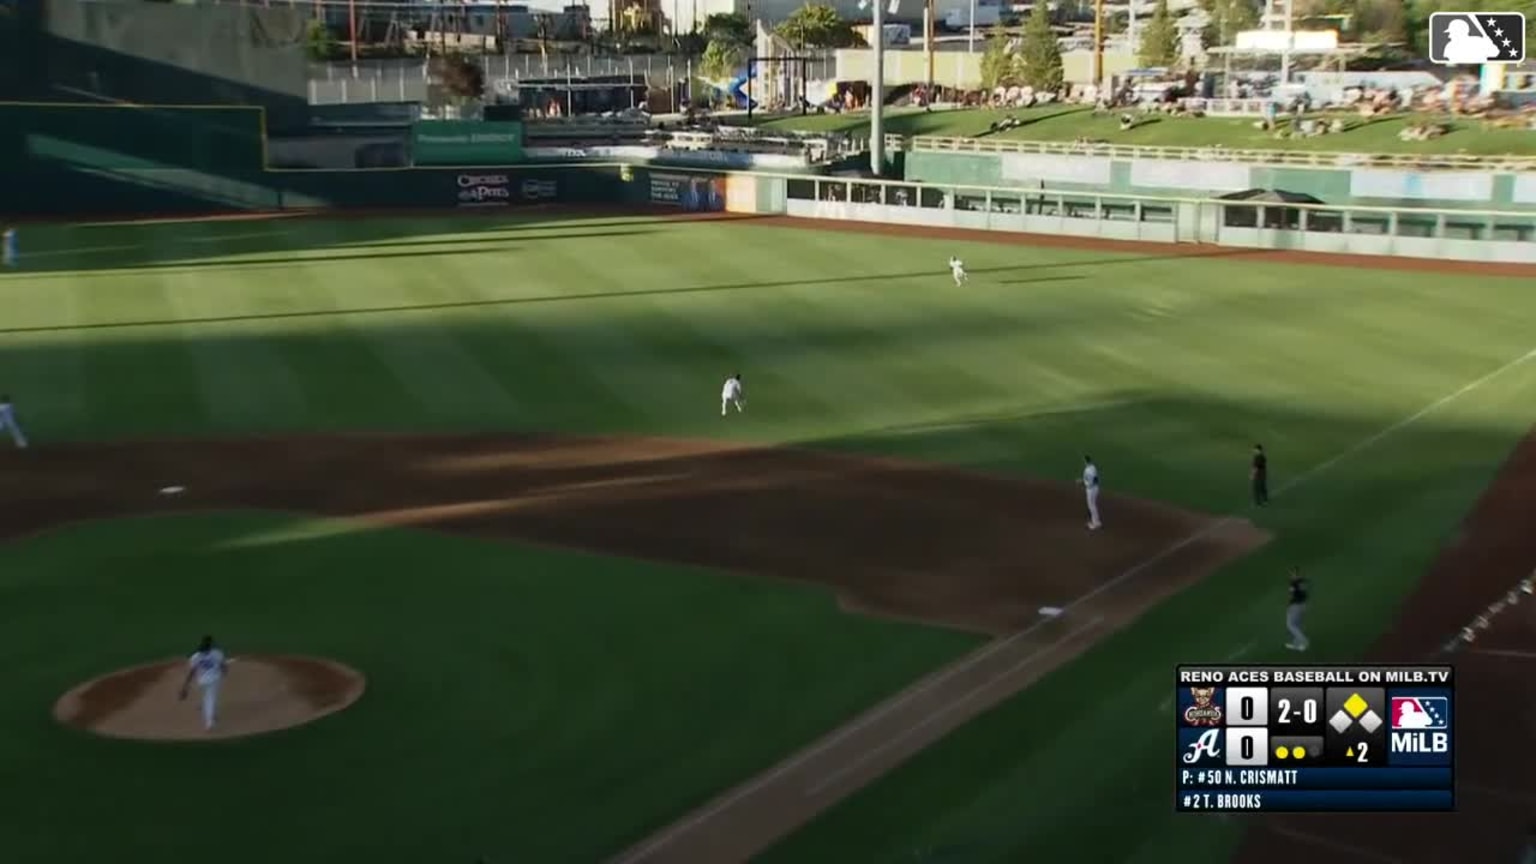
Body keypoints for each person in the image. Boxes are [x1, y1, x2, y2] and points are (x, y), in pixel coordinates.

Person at [180, 635, 229, 731]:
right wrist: (224, 673)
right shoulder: (217, 653)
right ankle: (209, 722)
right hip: (214, 680)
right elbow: (223, 666)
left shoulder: (195, 656)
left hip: (202, 681)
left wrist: (185, 685)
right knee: (210, 699)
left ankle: (213, 713)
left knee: (208, 697)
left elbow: (192, 672)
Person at [1285, 567, 1310, 651]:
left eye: (1292, 573)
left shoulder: (1293, 583)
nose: (1291, 575)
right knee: (1297, 625)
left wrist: (1289, 606)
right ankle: (1297, 643)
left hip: (1295, 606)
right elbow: (1305, 593)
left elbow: (1291, 595)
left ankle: (1304, 642)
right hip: (1303, 605)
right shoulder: (1303, 581)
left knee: (1290, 625)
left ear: (1295, 574)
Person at [1078, 455, 1102, 531]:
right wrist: (1083, 481)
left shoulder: (1087, 470)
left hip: (1090, 490)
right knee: (1093, 505)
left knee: (1091, 506)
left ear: (1085, 461)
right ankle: (1096, 521)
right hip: (1096, 488)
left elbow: (1089, 482)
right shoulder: (1093, 467)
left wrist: (1081, 482)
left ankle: (1095, 523)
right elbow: (1094, 479)